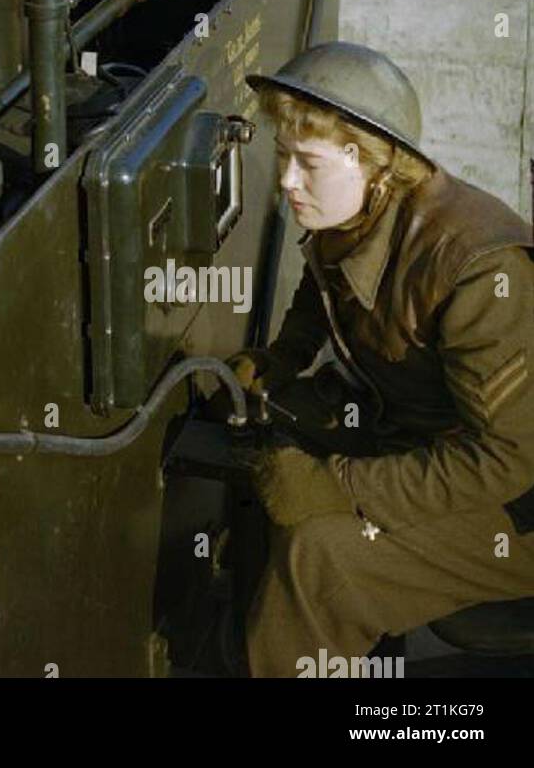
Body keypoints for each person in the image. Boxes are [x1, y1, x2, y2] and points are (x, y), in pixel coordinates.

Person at [229, 41, 534, 676]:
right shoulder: (356, 211)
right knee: (258, 437)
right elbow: (326, 280)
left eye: (307, 164)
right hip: (428, 435)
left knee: (322, 558)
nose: (286, 181)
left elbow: (508, 459)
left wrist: (337, 487)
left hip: (519, 509)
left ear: (373, 165)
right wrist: (283, 360)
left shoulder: (479, 270)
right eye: (283, 157)